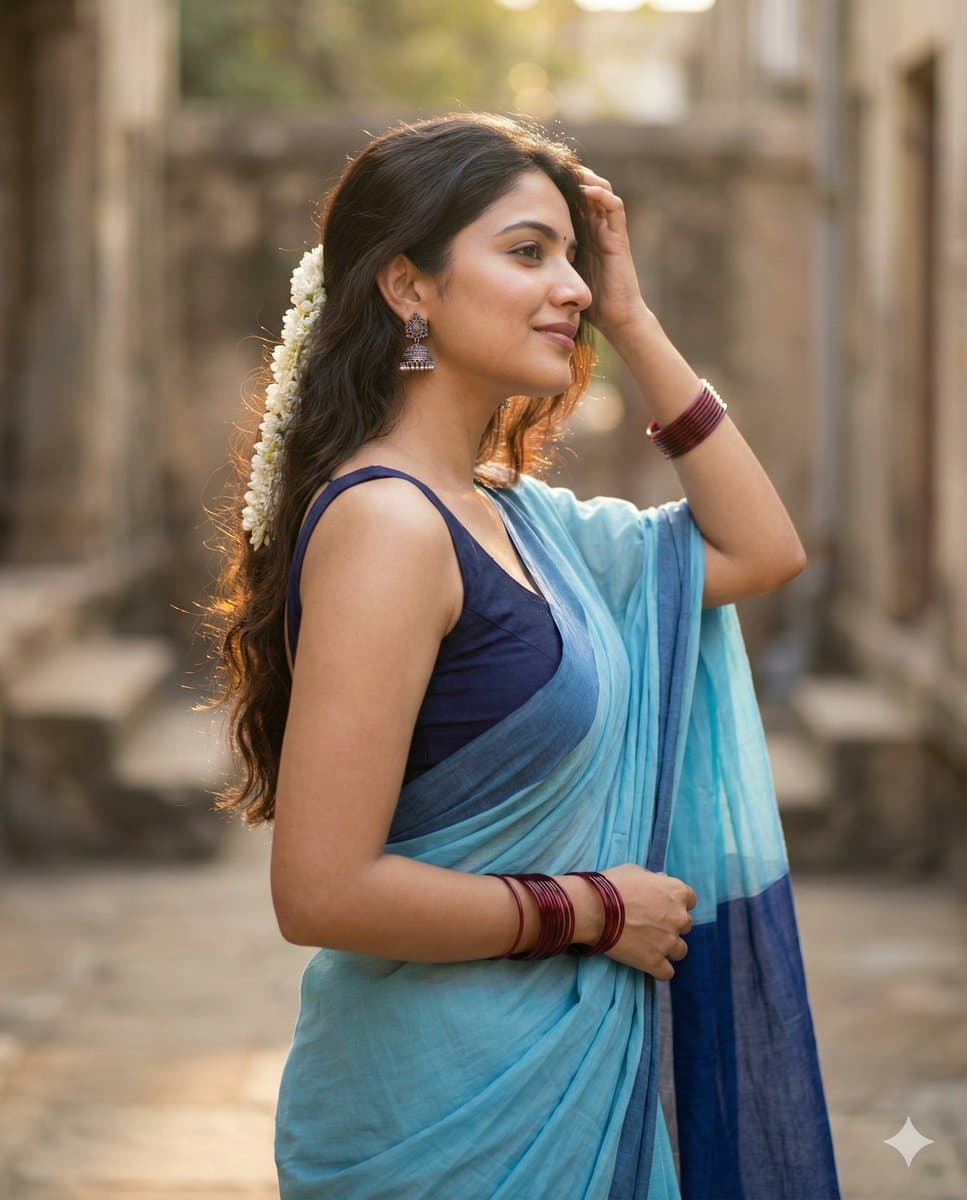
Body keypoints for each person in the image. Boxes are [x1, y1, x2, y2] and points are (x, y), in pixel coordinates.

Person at [201, 112, 841, 1199]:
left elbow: (761, 548)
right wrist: (589, 907)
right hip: (443, 1115)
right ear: (409, 286)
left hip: (572, 1088)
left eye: (573, 259)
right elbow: (318, 891)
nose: (576, 287)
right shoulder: (390, 526)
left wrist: (634, 320)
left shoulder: (522, 521)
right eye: (526, 252)